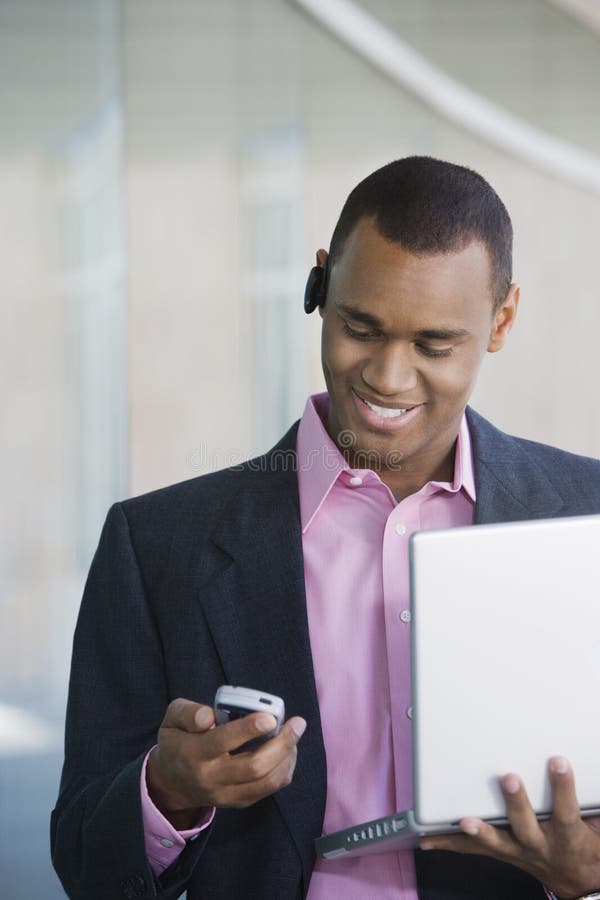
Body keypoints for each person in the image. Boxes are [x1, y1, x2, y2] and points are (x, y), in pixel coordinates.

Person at [51, 157, 600, 900]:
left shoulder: (589, 512)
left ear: (500, 322)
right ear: (320, 284)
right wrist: (169, 792)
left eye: (435, 345)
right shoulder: (155, 547)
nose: (388, 378)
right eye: (359, 327)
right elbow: (86, 863)